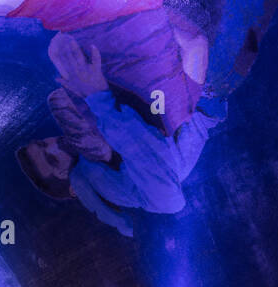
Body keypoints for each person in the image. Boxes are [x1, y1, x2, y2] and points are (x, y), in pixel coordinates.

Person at [17, 33, 224, 236]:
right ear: (73, 190)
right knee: (195, 43)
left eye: (43, 144)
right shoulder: (108, 185)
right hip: (202, 100)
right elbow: (170, 202)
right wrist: (99, 98)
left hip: (187, 96)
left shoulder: (90, 152)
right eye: (52, 160)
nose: (54, 145)